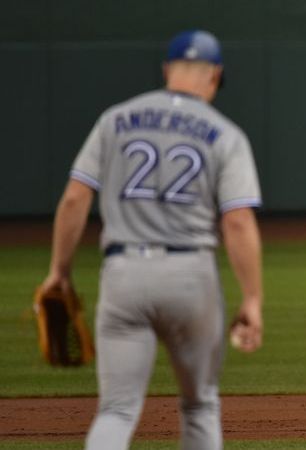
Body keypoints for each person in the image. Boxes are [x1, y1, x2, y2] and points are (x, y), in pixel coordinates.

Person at [40, 30, 263, 449]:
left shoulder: (114, 120)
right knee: (199, 406)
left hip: (123, 273)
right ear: (215, 75)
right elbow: (237, 221)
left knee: (116, 410)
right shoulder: (226, 134)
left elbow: (74, 199)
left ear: (166, 70)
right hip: (190, 276)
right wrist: (252, 298)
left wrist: (60, 272)